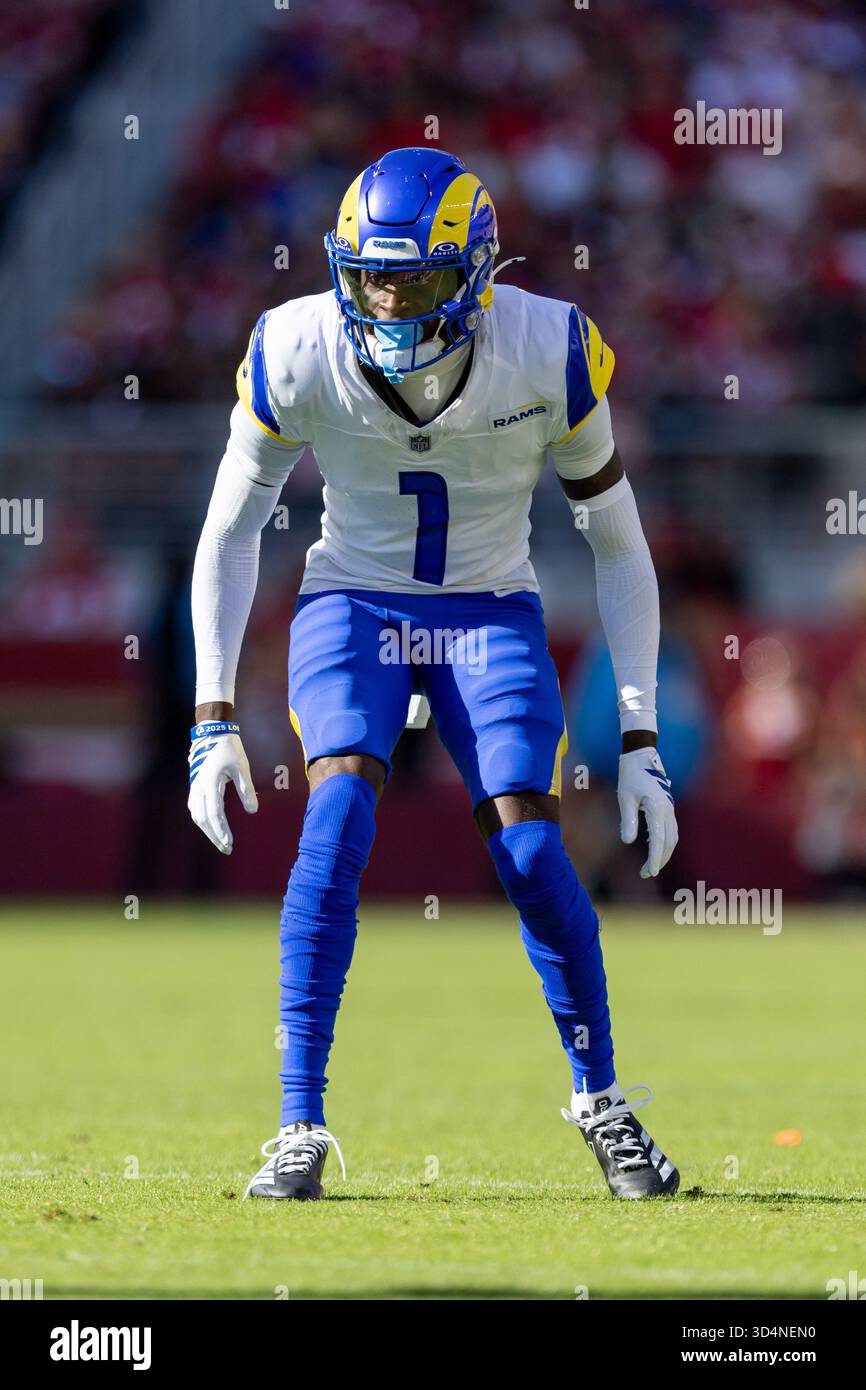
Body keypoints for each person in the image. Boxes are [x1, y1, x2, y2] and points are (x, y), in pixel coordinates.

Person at [188, 148, 679, 1202]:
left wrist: (639, 739)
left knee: (533, 844)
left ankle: (602, 1101)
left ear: (475, 273)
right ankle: (296, 1125)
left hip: (488, 610)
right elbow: (229, 531)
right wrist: (209, 713)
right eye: (367, 273)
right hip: (351, 603)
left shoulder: (546, 348)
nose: (383, 296)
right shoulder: (296, 345)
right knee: (333, 822)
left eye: (410, 278)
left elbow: (617, 546)